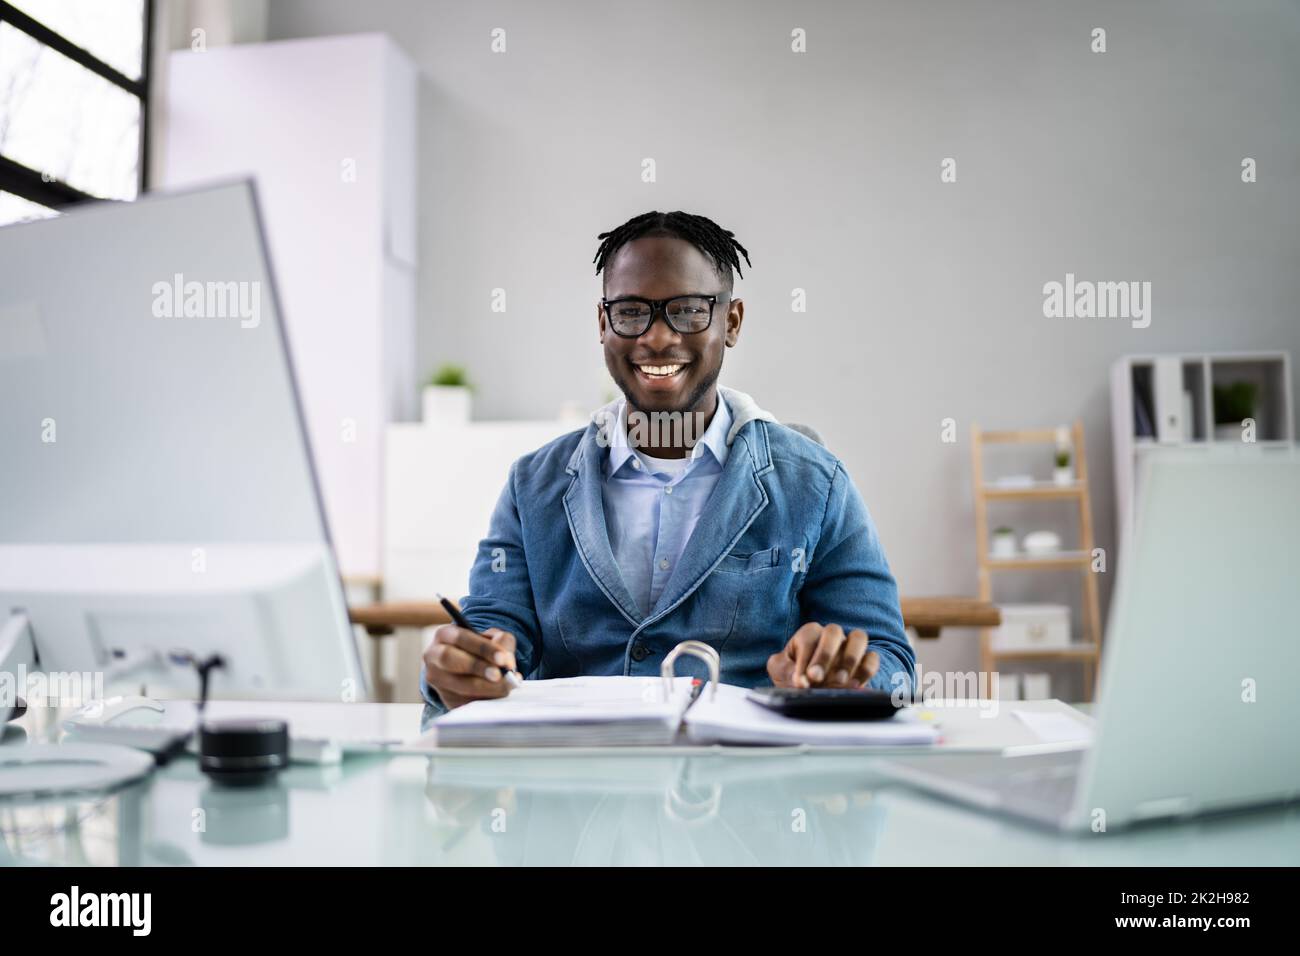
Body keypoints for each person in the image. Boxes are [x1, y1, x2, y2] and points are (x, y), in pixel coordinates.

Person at [422, 211, 914, 711]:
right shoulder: (534, 486)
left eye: (687, 310)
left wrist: (839, 677)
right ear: (602, 323)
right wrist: (463, 667)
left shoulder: (815, 484)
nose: (657, 337)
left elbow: (891, 662)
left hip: (744, 781)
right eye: (632, 312)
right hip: (577, 777)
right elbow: (491, 631)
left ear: (732, 321)